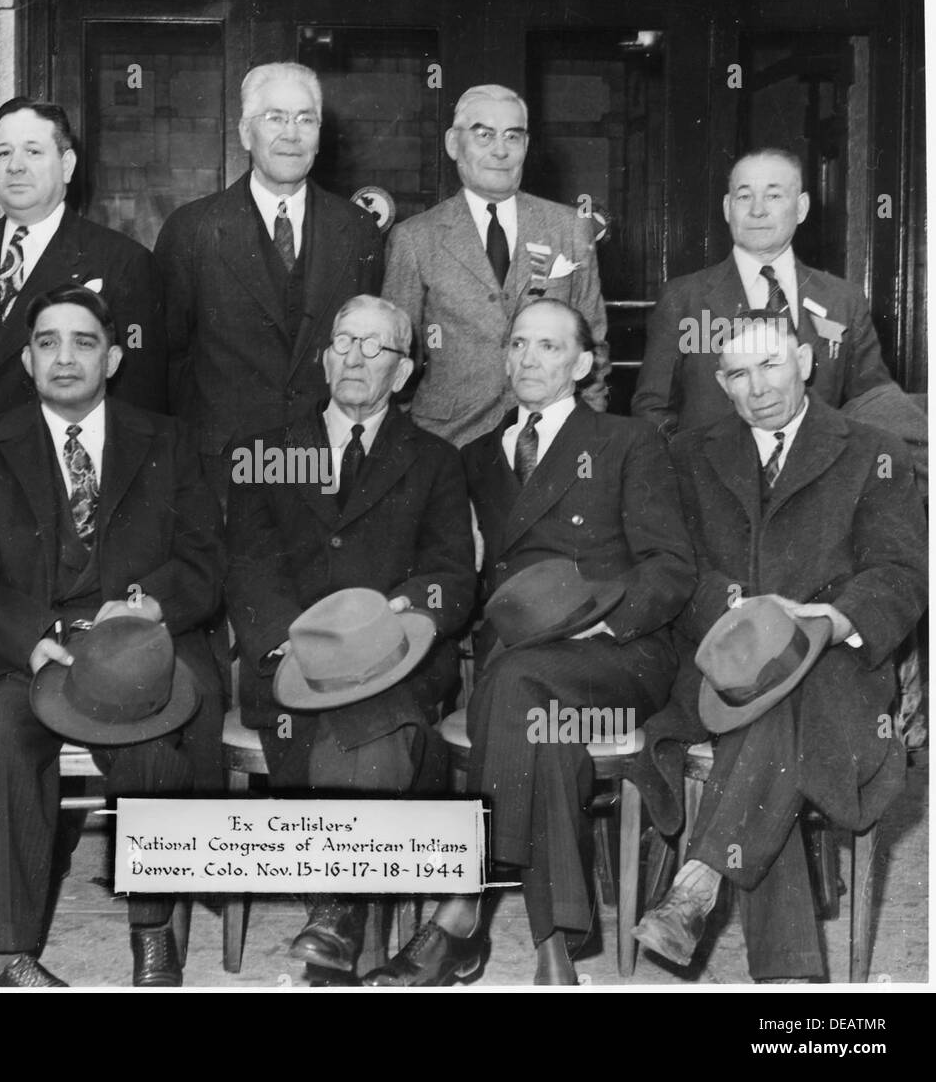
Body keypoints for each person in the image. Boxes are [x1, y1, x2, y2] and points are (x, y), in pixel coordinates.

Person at [368, 298, 693, 986]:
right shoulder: (475, 456)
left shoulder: (627, 442)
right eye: (518, 345)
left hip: (615, 657)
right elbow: (461, 570)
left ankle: (462, 907)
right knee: (539, 728)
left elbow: (671, 566)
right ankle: (554, 948)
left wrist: (609, 619)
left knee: (516, 687)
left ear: (580, 363)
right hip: (524, 667)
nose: (529, 360)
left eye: (548, 347)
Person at [0, 281, 224, 987]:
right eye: (47, 342)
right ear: (26, 360)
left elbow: (206, 560)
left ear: (113, 358)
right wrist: (32, 634)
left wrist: (149, 607)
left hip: (136, 651)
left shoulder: (169, 440)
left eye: (84, 343)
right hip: (28, 651)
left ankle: (152, 931)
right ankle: (7, 952)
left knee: (155, 741)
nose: (65, 357)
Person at [630, 314, 926, 982]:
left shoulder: (873, 450)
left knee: (783, 702)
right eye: (737, 373)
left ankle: (699, 881)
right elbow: (676, 570)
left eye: (770, 365)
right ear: (721, 382)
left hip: (838, 671)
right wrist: (745, 612)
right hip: (722, 666)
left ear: (804, 358)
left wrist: (827, 620)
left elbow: (901, 576)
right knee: (769, 716)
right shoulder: (688, 453)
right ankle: (790, 981)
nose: (757, 387)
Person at [225, 294, 475, 983]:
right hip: (290, 660)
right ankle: (344, 915)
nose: (355, 358)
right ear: (324, 356)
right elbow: (249, 562)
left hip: (398, 658)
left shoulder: (434, 461)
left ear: (403, 373)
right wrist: (288, 639)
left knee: (369, 710)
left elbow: (452, 576)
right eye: (343, 342)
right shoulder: (268, 452)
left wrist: (396, 619)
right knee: (367, 725)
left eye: (376, 347)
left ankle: (336, 911)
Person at [154, 61, 384, 499]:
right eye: (275, 118)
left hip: (327, 465)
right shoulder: (192, 230)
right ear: (245, 133)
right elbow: (170, 362)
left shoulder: (357, 230)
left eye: (305, 119)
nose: (291, 134)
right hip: (223, 472)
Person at [0, 97, 166, 450]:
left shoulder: (122, 262)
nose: (15, 166)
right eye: (3, 153)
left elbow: (139, 407)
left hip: (52, 481)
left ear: (66, 165)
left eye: (33, 152)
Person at [382, 84, 609, 448]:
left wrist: (591, 437)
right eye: (484, 135)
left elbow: (593, 345)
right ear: (454, 144)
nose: (500, 150)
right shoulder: (414, 239)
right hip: (446, 444)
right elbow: (396, 358)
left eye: (512, 136)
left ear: (527, 145)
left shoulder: (568, 227)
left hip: (550, 441)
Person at [632, 147, 894, 437]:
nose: (757, 210)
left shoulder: (843, 300)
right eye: (744, 197)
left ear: (801, 207)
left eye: (773, 195)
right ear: (727, 208)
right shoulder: (683, 299)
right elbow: (652, 408)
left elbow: (875, 405)